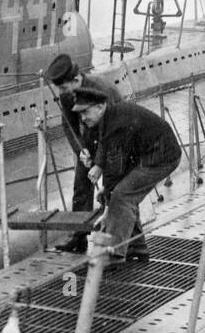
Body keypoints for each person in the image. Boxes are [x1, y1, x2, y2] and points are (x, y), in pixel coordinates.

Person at [70, 84, 181, 262]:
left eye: (85, 112)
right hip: (146, 154)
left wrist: (108, 199)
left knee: (122, 196)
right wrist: (101, 173)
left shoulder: (117, 124)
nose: (82, 118)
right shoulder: (108, 117)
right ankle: (136, 247)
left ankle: (114, 254)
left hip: (161, 156)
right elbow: (105, 146)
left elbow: (115, 171)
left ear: (100, 107)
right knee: (123, 194)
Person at [46, 53, 120, 252]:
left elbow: (112, 129)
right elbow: (68, 125)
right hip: (90, 139)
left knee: (114, 190)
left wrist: (100, 164)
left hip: (116, 139)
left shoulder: (101, 90)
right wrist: (81, 150)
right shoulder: (67, 95)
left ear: (77, 79)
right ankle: (79, 238)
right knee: (81, 188)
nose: (62, 93)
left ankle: (120, 243)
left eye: (64, 88)